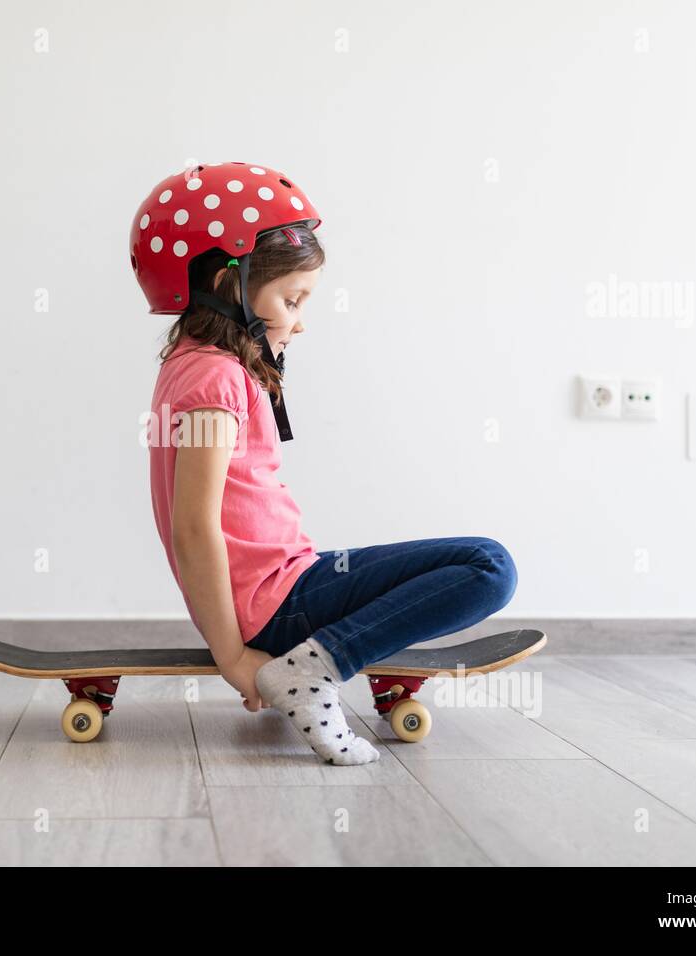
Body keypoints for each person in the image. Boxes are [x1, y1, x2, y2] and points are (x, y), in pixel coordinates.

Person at [133, 161, 518, 765]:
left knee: (478, 562)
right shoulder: (214, 379)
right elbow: (192, 527)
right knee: (489, 566)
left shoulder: (193, 364)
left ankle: (309, 666)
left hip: (289, 582)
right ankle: (311, 672)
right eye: (292, 299)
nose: (300, 320)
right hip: (276, 605)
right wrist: (235, 659)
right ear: (232, 288)